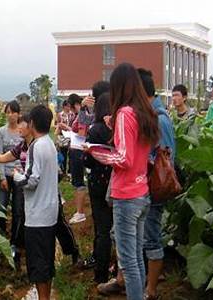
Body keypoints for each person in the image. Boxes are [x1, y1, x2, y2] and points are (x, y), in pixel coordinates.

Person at [87, 63, 160, 300]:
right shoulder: (144, 113)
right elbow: (136, 151)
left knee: (127, 262)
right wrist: (113, 126)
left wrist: (93, 150)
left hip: (126, 196)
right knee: (136, 258)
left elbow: (123, 157)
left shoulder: (125, 114)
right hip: (142, 193)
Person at [0, 115, 79, 266]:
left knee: (59, 225)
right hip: (31, 194)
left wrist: (19, 175)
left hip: (46, 194)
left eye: (21, 124)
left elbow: (38, 176)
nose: (18, 127)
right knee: (21, 219)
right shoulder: (22, 146)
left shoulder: (39, 145)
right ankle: (19, 253)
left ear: (31, 126)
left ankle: (72, 251)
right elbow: (4, 158)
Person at [14, 105, 59, 300]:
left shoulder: (36, 146)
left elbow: (31, 180)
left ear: (32, 123)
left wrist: (16, 176)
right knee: (46, 262)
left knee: (38, 264)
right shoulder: (49, 143)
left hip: (37, 215)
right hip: (49, 212)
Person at [138, 69, 176, 300]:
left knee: (151, 236)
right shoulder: (151, 116)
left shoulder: (160, 119)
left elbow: (166, 159)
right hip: (146, 187)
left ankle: (151, 291)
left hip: (155, 189)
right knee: (144, 236)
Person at [83, 92, 113, 283]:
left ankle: (100, 274)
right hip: (114, 183)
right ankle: (116, 269)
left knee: (101, 229)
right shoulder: (116, 130)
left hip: (97, 183)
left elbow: (88, 160)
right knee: (115, 229)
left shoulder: (95, 130)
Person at [0, 100, 24, 255]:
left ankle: (15, 242)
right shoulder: (1, 132)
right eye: (7, 112)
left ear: (18, 114)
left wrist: (22, 174)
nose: (10, 115)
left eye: (13, 112)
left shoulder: (22, 131)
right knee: (1, 207)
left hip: (19, 175)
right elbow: (0, 155)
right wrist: (2, 177)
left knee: (18, 210)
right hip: (5, 174)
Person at [58, 93, 88, 224]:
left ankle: (80, 212)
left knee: (78, 182)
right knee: (76, 181)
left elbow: (81, 133)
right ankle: (79, 211)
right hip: (75, 150)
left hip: (79, 150)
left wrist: (68, 129)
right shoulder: (79, 115)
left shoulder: (82, 115)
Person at [56, 100, 75, 174]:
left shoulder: (72, 114)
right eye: (67, 106)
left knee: (71, 153)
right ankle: (63, 171)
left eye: (69, 106)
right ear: (64, 106)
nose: (68, 108)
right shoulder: (60, 115)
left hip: (70, 135)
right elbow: (57, 124)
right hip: (62, 136)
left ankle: (70, 171)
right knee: (63, 153)